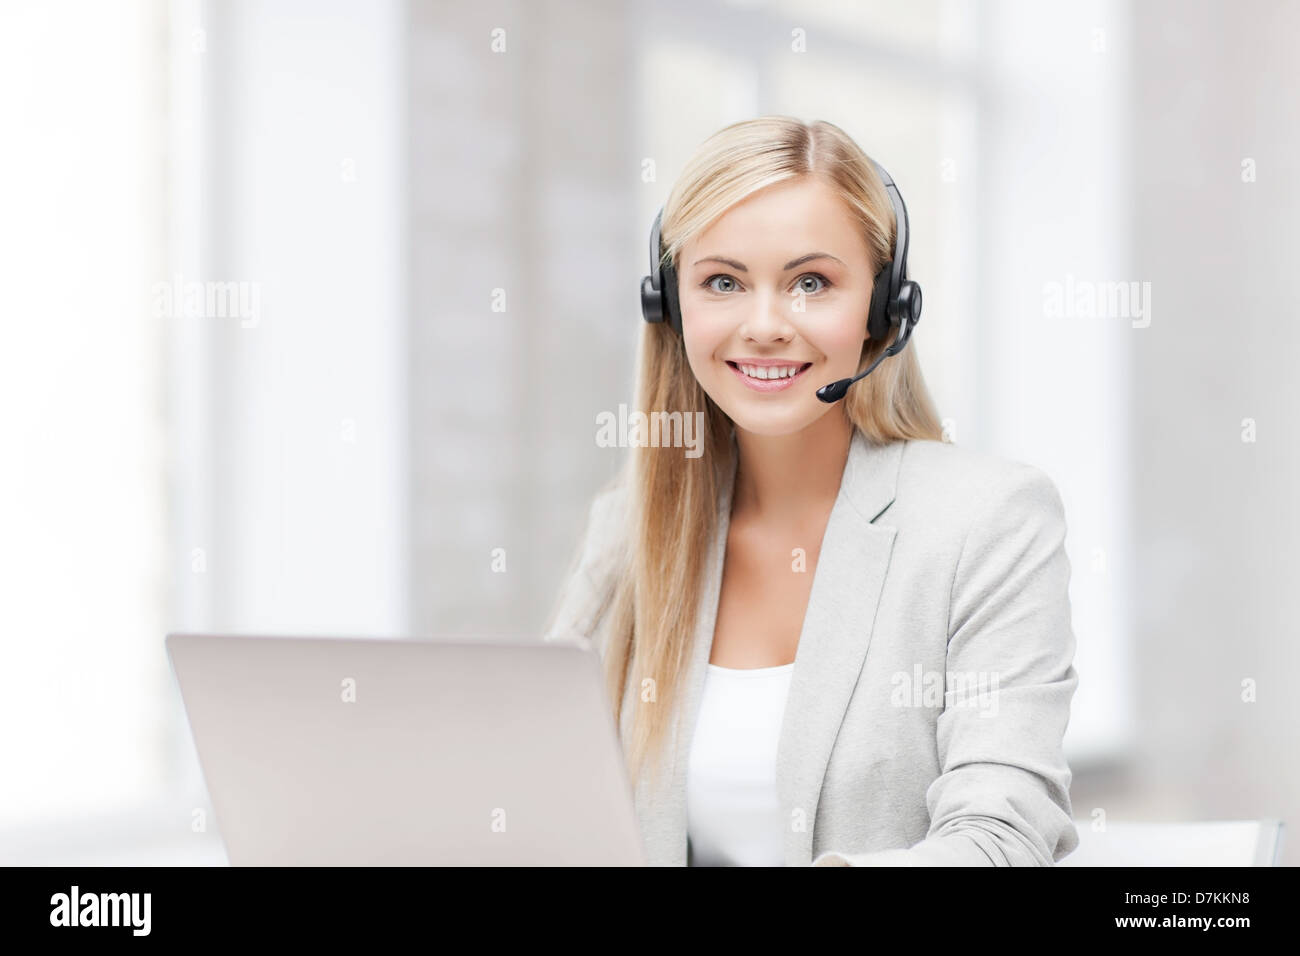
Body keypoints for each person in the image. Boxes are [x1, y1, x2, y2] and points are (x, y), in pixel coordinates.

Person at [543, 115, 1079, 867]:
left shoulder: (989, 522)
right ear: (670, 304)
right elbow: (543, 792)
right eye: (723, 281)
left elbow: (1002, 838)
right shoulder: (628, 529)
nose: (765, 325)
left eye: (811, 283)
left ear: (883, 308)